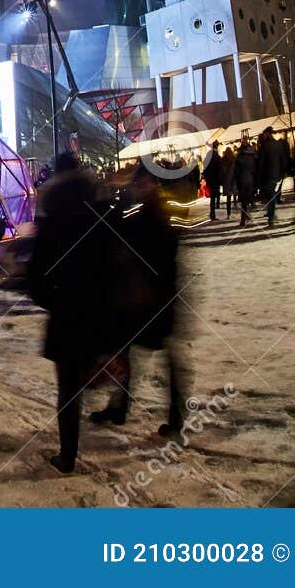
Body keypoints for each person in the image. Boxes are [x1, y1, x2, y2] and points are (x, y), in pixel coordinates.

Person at [28, 154, 109, 475]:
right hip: (98, 309)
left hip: (66, 313)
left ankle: (68, 455)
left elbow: (36, 276)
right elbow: (113, 262)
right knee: (89, 368)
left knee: (68, 389)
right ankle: (112, 404)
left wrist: (54, 299)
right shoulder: (99, 211)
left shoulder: (52, 218)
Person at [90, 168, 186, 437]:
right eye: (138, 182)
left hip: (154, 297)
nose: (140, 186)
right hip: (143, 297)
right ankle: (120, 407)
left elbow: (161, 255)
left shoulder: (159, 213)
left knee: (165, 358)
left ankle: (175, 416)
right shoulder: (148, 211)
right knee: (130, 354)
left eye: (144, 182)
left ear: (153, 183)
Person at [257, 127, 288, 227]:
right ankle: (271, 216)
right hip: (277, 175)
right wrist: (283, 172)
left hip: (268, 175)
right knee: (272, 195)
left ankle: (271, 218)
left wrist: (260, 176)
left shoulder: (265, 146)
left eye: (265, 134)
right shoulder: (278, 145)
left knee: (271, 196)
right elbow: (283, 159)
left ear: (268, 134)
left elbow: (261, 163)